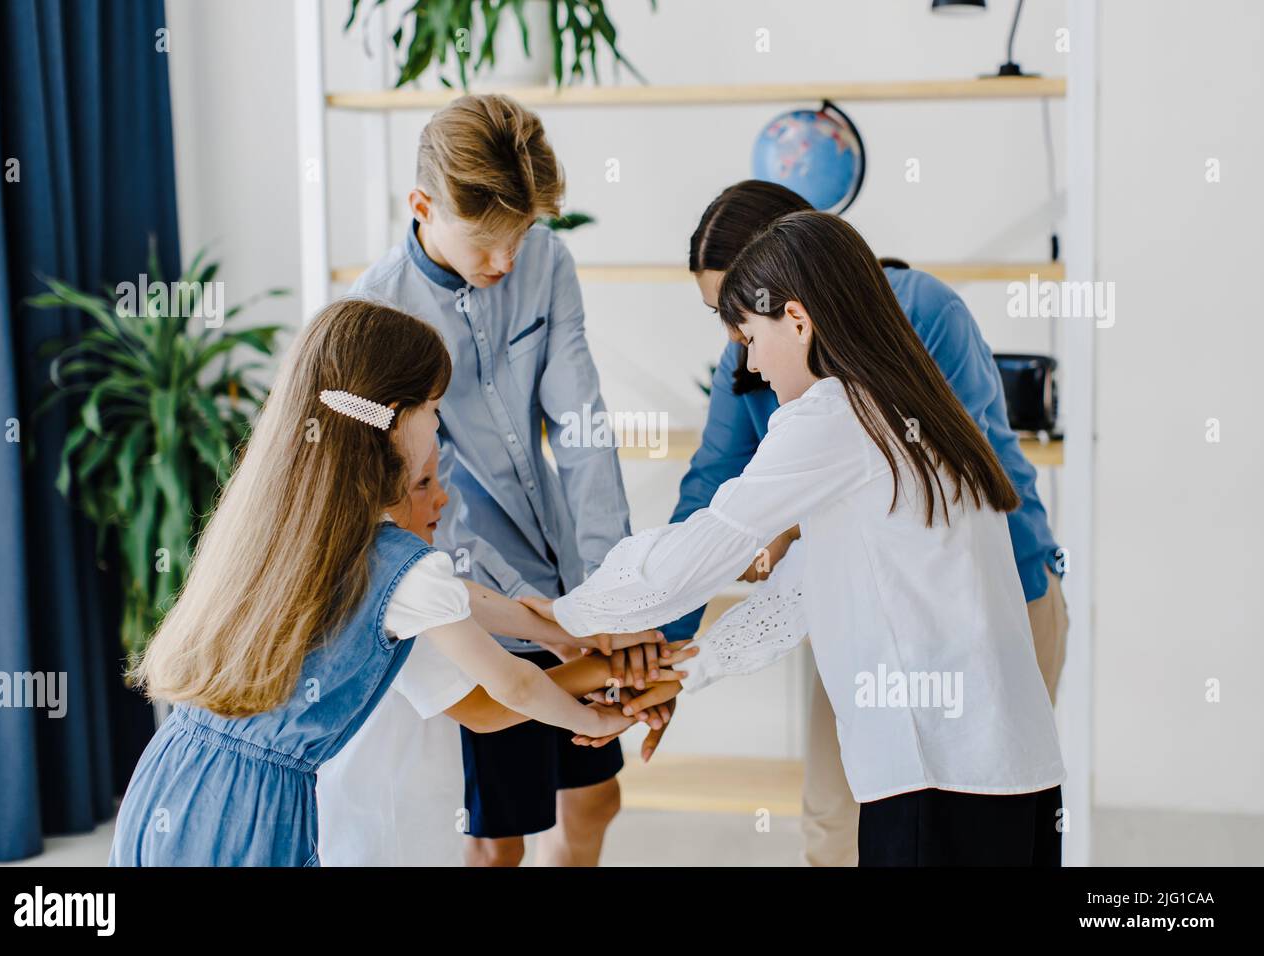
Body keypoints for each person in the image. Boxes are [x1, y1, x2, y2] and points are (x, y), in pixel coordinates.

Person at [537, 211, 1066, 867]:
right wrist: (684, 672)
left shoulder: (834, 413)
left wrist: (554, 615)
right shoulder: (911, 403)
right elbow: (801, 591)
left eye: (749, 337)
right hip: (1012, 770)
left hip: (935, 769)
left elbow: (703, 547)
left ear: (796, 318)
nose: (749, 364)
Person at [109, 300, 635, 867]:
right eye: (434, 407)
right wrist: (598, 719)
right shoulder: (398, 560)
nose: (440, 425)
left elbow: (451, 599)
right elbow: (515, 686)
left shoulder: (288, 523)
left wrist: (560, 626)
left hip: (172, 776)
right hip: (253, 814)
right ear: (394, 416)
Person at [349, 93, 634, 867]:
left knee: (596, 796)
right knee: (497, 839)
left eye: (521, 235)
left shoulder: (545, 261)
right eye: (486, 241)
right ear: (422, 206)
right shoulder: (375, 314)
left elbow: (583, 429)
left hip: (568, 571)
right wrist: (541, 614)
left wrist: (609, 584)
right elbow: (423, 501)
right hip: (468, 594)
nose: (506, 261)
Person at [315, 444, 693, 866]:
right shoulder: (396, 574)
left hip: (390, 798)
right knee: (492, 841)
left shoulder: (375, 551)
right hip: (374, 816)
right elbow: (494, 700)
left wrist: (591, 632)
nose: (444, 495)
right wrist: (601, 708)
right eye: (424, 483)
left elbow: (467, 600)